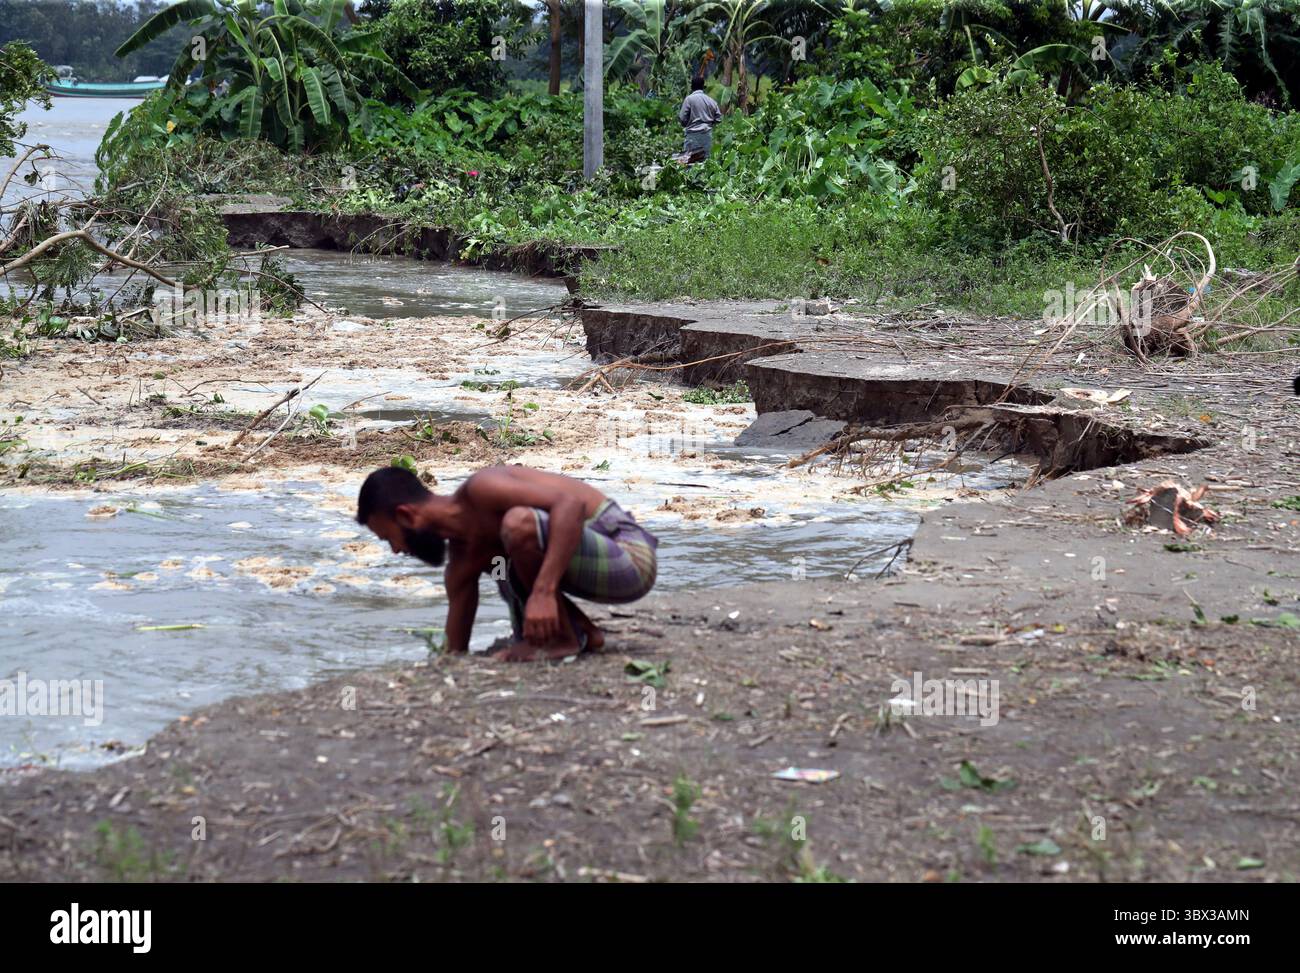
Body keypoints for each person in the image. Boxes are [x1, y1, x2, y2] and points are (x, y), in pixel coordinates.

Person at [355, 465, 658, 662]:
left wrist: (542, 593)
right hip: (595, 566)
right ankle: (581, 633)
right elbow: (453, 653)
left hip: (630, 556)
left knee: (517, 524)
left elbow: (570, 504)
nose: (395, 550)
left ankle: (562, 640)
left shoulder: (481, 489)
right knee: (500, 561)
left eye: (389, 538)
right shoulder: (462, 562)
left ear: (407, 515)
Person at [679, 76, 722, 161]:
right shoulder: (711, 101)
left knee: (688, 163)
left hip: (692, 136)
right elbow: (718, 119)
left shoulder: (689, 99)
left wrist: (687, 124)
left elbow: (682, 118)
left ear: (692, 87)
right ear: (703, 86)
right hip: (707, 137)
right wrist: (709, 123)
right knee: (705, 164)